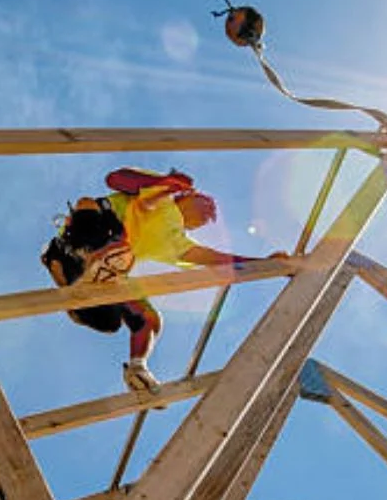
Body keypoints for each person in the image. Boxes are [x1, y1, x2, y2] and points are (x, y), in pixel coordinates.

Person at [41, 167, 284, 393]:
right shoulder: (164, 196)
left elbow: (219, 260)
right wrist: (166, 184)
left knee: (144, 320)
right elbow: (116, 179)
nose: (211, 214)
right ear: (188, 196)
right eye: (207, 204)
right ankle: (74, 258)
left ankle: (136, 369)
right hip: (84, 238)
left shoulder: (178, 244)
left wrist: (263, 263)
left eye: (211, 214)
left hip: (103, 273)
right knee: (101, 220)